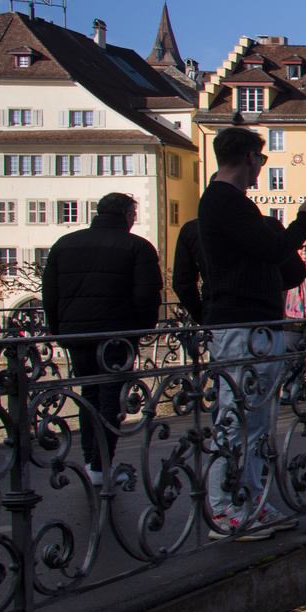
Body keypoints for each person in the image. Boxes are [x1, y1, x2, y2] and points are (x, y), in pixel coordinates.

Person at [198, 126, 306, 540]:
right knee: (236, 419)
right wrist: (305, 220)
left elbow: (280, 263)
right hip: (240, 322)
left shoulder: (230, 202)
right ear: (252, 158)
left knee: (253, 421)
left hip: (254, 321)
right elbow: (275, 253)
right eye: (263, 160)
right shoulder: (222, 199)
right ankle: (225, 510)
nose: (261, 168)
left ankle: (251, 502)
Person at [41, 192, 161, 483]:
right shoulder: (137, 247)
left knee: (89, 396)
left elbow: (50, 293)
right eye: (134, 215)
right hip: (117, 335)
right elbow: (147, 296)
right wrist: (141, 330)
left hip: (76, 334)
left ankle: (92, 464)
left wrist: (59, 330)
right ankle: (100, 466)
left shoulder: (64, 244)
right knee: (111, 400)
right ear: (127, 216)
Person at [172, 218, 206, 325]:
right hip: (255, 318)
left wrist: (200, 316)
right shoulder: (256, 224)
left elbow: (182, 283)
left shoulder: (193, 229)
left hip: (215, 313)